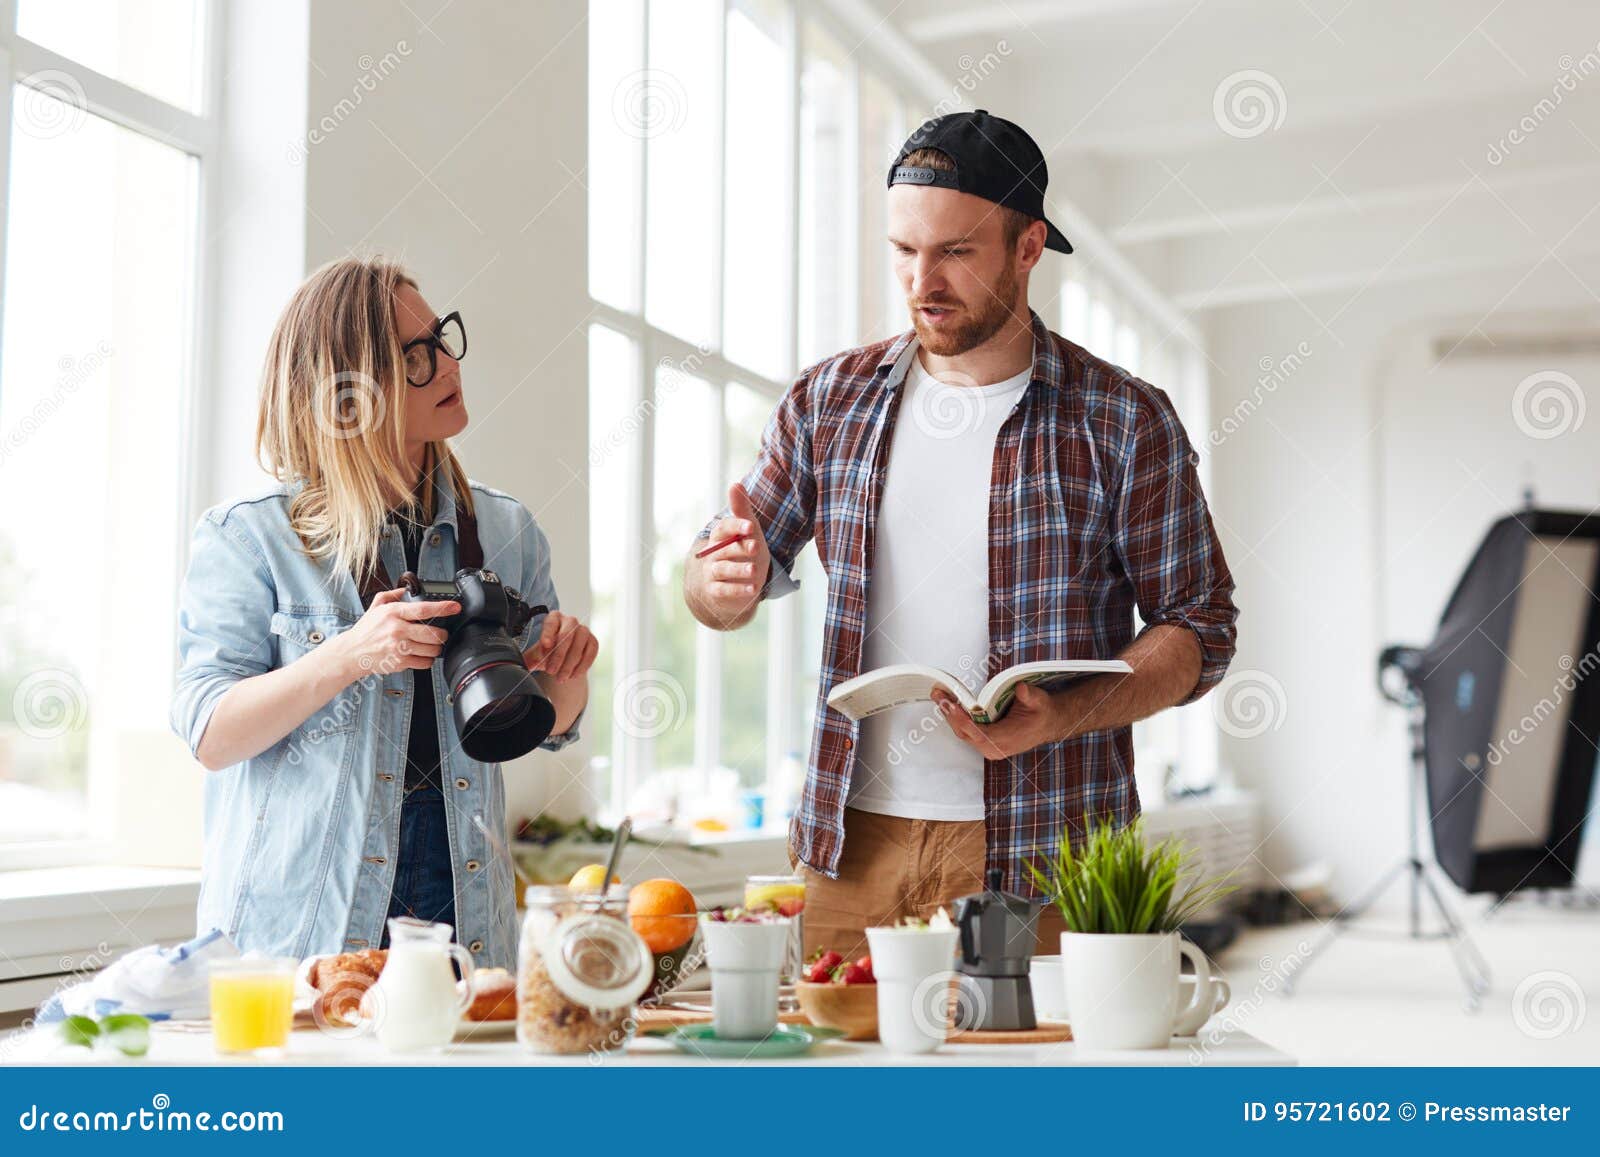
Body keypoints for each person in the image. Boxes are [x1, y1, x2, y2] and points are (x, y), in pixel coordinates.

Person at [683, 111, 1239, 957]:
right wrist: (718, 585)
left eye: (955, 252)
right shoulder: (828, 402)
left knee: (1030, 1085)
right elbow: (717, 582)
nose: (921, 281)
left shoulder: (1124, 420)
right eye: (904, 250)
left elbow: (1202, 628)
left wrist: (1063, 713)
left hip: (1049, 848)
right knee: (842, 1082)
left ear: (1027, 248)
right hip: (850, 841)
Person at [170, 257, 596, 970]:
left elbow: (547, 724)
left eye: (443, 338)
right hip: (300, 942)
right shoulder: (250, 537)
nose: (449, 364)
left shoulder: (505, 529)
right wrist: (350, 653)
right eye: (418, 356)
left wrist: (569, 669)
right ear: (350, 396)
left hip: (464, 921)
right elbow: (211, 733)